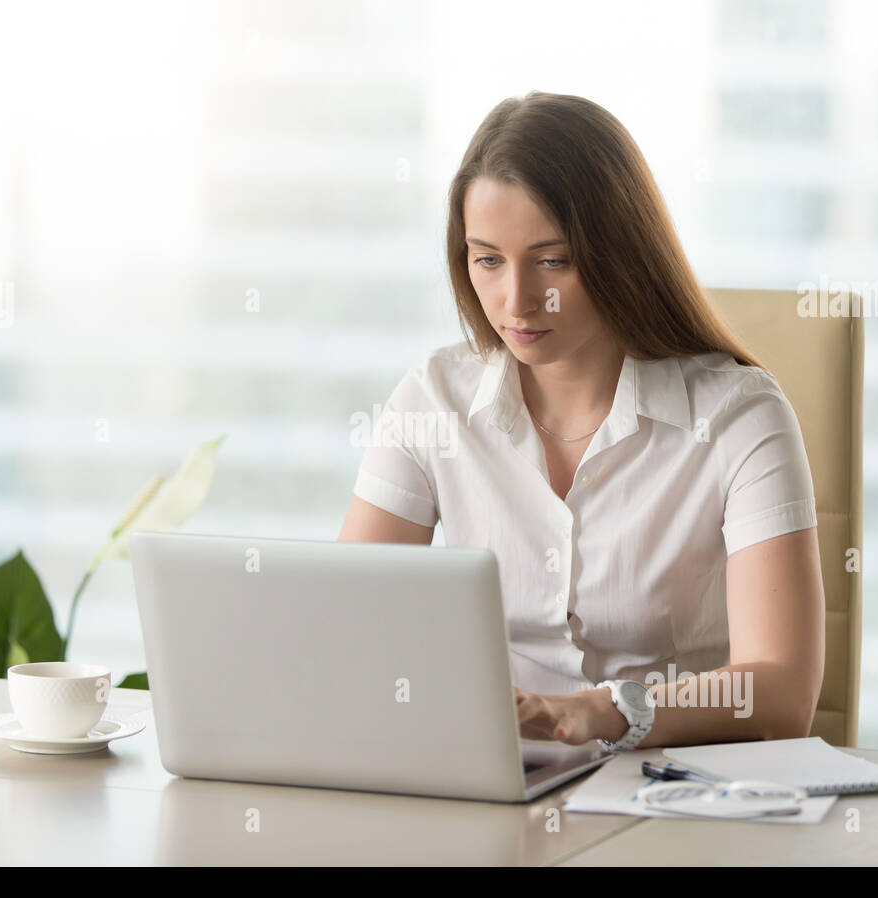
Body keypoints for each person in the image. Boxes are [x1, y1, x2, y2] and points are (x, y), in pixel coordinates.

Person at [339, 91, 825, 752]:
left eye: (554, 261)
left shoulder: (739, 416)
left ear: (618, 252)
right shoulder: (432, 401)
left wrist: (597, 713)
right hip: (501, 790)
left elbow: (780, 693)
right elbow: (343, 629)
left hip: (682, 803)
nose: (516, 301)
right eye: (487, 260)